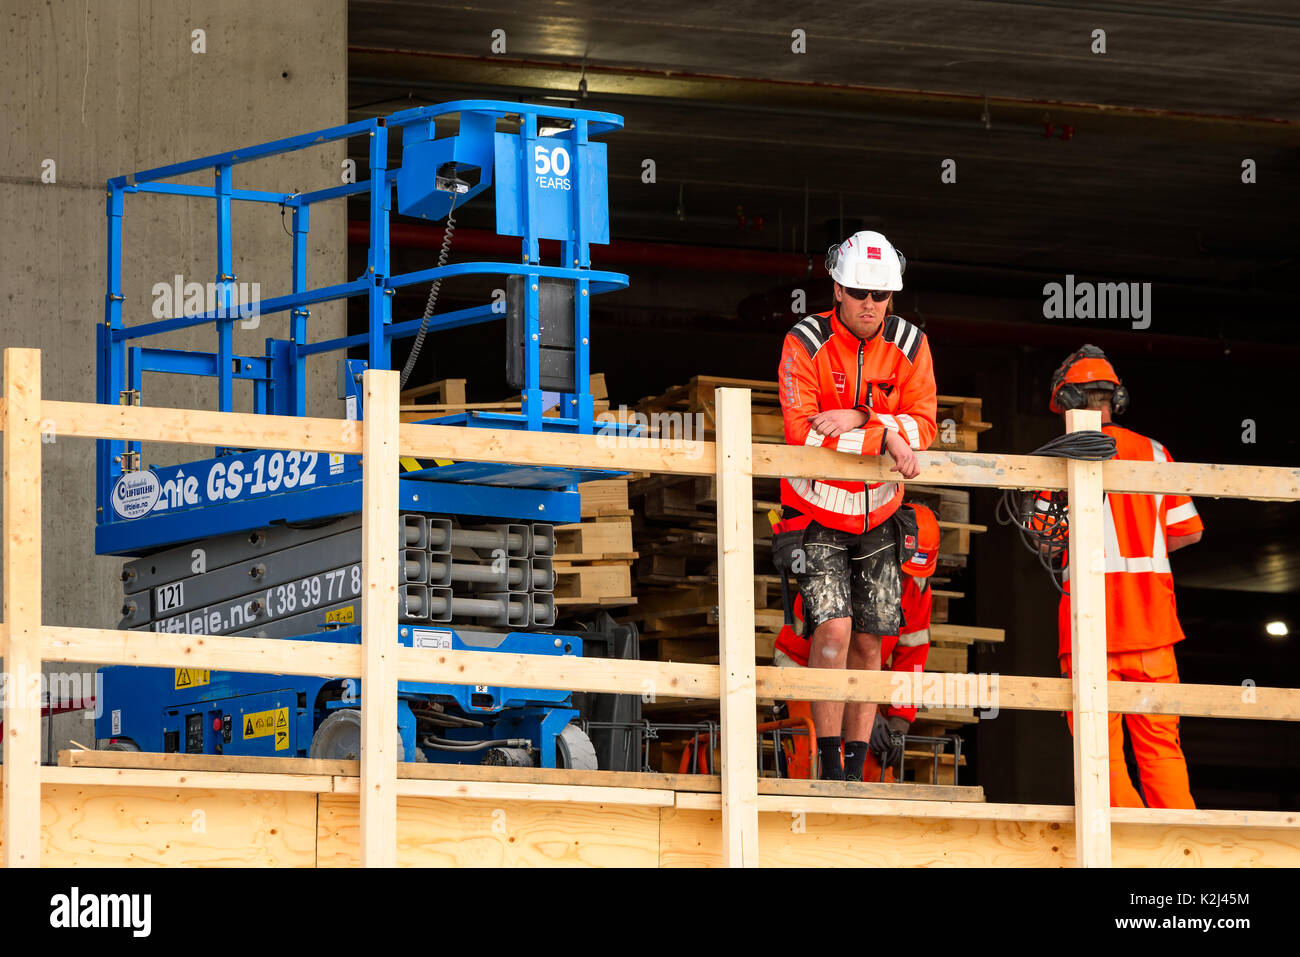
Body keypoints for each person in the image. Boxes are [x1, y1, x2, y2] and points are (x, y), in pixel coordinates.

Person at [774, 230, 937, 781]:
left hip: (883, 515)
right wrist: (887, 439)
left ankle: (854, 768)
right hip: (816, 512)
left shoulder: (912, 345)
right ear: (837, 288)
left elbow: (926, 426)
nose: (870, 304)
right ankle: (826, 766)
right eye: (859, 292)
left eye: (881, 295)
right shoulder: (804, 341)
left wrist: (866, 418)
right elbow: (803, 435)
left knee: (871, 642)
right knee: (834, 634)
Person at [1042, 345, 1203, 808]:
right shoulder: (1154, 453)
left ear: (1067, 402)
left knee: (1100, 758)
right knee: (1161, 752)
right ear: (1117, 399)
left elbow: (1047, 543)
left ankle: (1130, 859)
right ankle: (1180, 854)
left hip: (1089, 632)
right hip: (1153, 631)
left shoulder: (1057, 460)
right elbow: (1185, 535)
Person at [774, 503, 941, 782]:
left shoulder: (917, 589)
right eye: (902, 572)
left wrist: (898, 723)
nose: (904, 580)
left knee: (875, 767)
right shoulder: (837, 568)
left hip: (862, 678)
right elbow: (835, 648)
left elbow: (912, 658)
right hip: (804, 675)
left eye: (912, 575)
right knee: (813, 764)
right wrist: (863, 704)